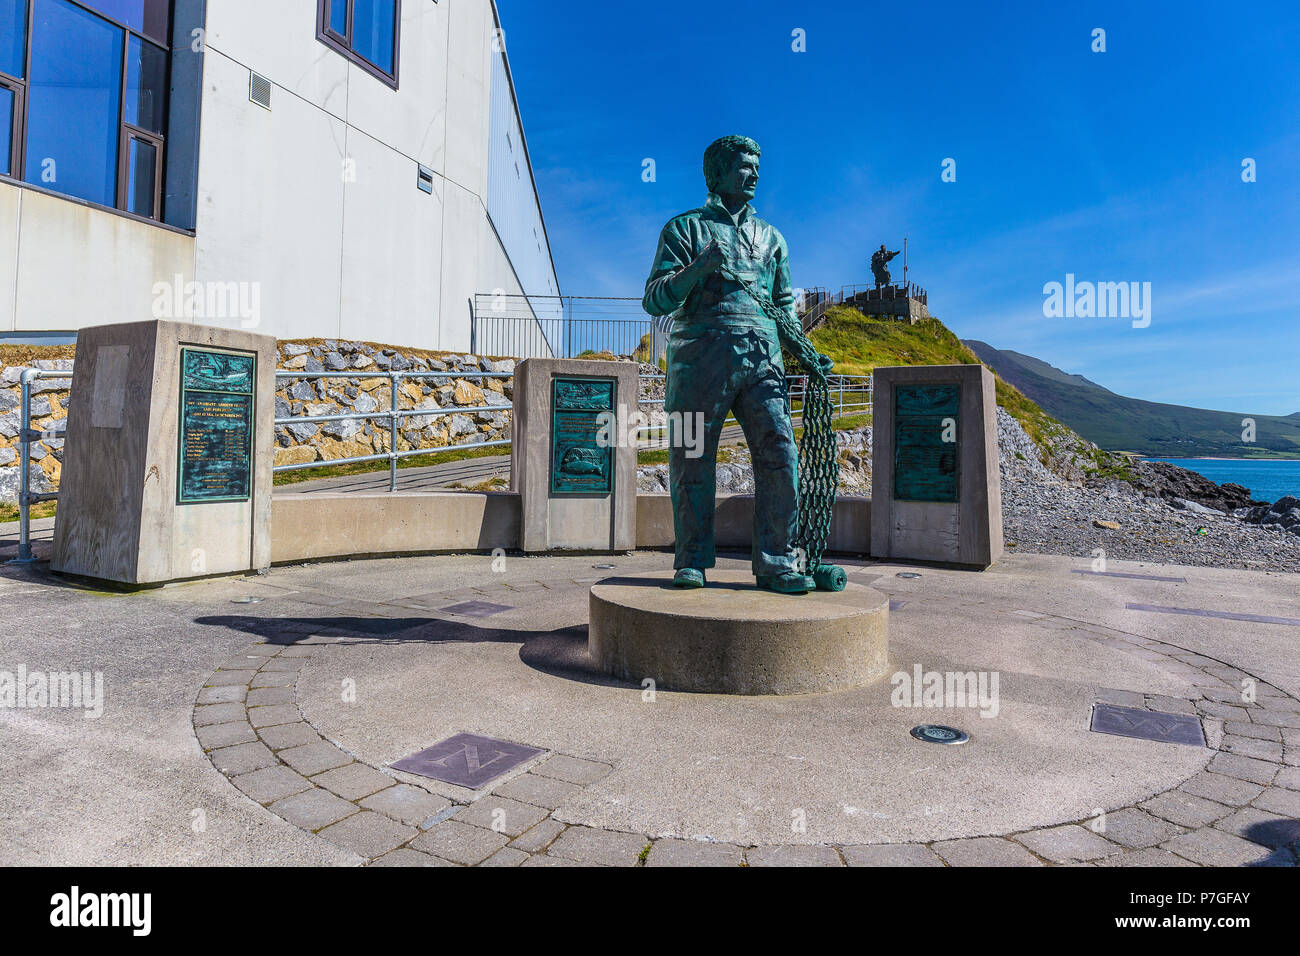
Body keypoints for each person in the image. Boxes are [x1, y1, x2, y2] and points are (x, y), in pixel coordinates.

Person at [642, 135, 832, 594]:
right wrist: (698, 268)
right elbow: (655, 299)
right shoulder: (683, 229)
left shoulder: (772, 238)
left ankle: (777, 561)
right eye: (744, 166)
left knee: (780, 454)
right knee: (691, 456)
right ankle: (691, 559)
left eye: (756, 167)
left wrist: (805, 353)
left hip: (762, 358)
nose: (755, 175)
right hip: (698, 358)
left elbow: (784, 306)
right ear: (717, 173)